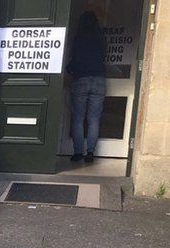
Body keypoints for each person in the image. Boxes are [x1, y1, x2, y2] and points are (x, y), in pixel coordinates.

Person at [66, 11, 106, 163]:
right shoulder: (101, 39)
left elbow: (74, 60)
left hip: (81, 79)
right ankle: (90, 153)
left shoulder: (79, 39)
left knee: (78, 119)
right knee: (94, 119)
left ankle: (77, 153)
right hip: (99, 80)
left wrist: (69, 70)